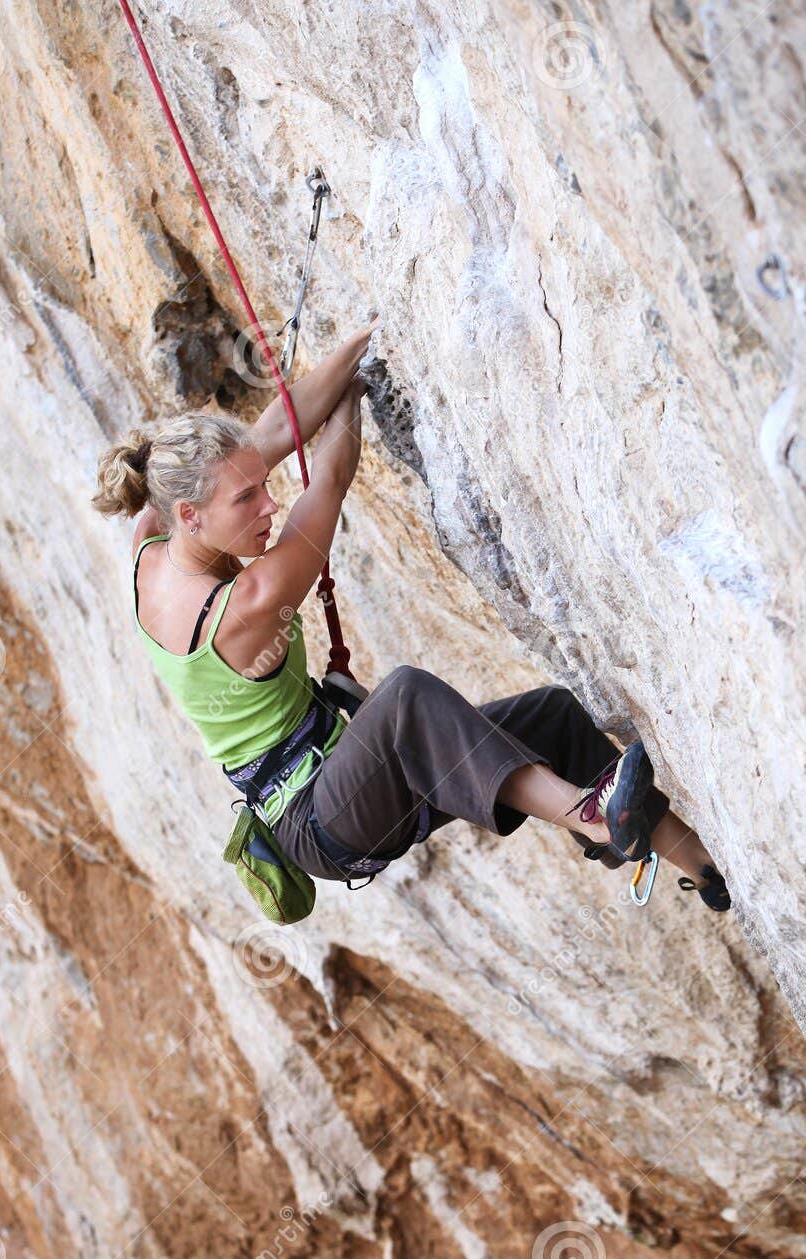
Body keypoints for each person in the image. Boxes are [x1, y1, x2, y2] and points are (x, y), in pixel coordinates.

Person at [91, 321, 731, 911]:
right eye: (247, 499)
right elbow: (330, 477)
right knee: (404, 699)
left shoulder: (156, 538)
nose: (268, 504)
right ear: (191, 516)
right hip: (321, 820)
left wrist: (362, 336)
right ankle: (594, 817)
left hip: (344, 774)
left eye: (263, 485)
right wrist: (356, 383)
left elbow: (280, 432)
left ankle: (703, 869)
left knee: (555, 718)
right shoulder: (247, 605)